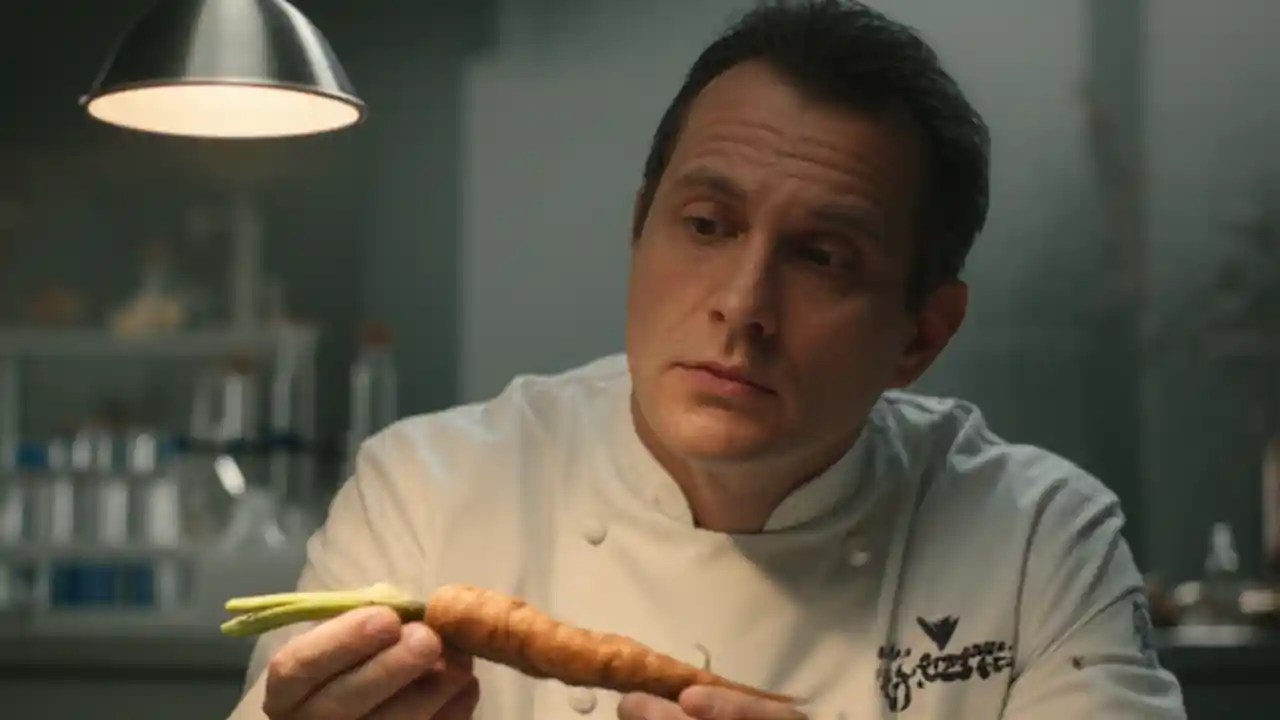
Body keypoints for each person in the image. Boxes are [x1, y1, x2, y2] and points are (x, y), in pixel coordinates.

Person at [228, 1, 1186, 718]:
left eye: (822, 256)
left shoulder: (1037, 542)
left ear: (921, 335)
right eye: (706, 224)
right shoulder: (426, 495)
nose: (744, 303)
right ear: (639, 227)